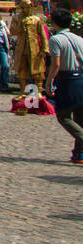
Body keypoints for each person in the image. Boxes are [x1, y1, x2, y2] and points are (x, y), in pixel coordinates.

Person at [44, 9, 83, 163]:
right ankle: (79, 154)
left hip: (67, 80)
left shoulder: (56, 39)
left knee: (63, 116)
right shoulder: (79, 39)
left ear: (54, 23)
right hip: (81, 78)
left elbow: (56, 64)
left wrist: (49, 82)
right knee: (80, 119)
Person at [12, 0, 49, 95]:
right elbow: (12, 31)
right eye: (23, 8)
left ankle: (39, 92)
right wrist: (20, 27)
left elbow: (43, 34)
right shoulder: (16, 18)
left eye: (27, 8)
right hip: (22, 48)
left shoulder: (36, 19)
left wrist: (45, 48)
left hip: (35, 48)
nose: (24, 10)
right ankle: (23, 92)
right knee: (22, 70)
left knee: (37, 71)